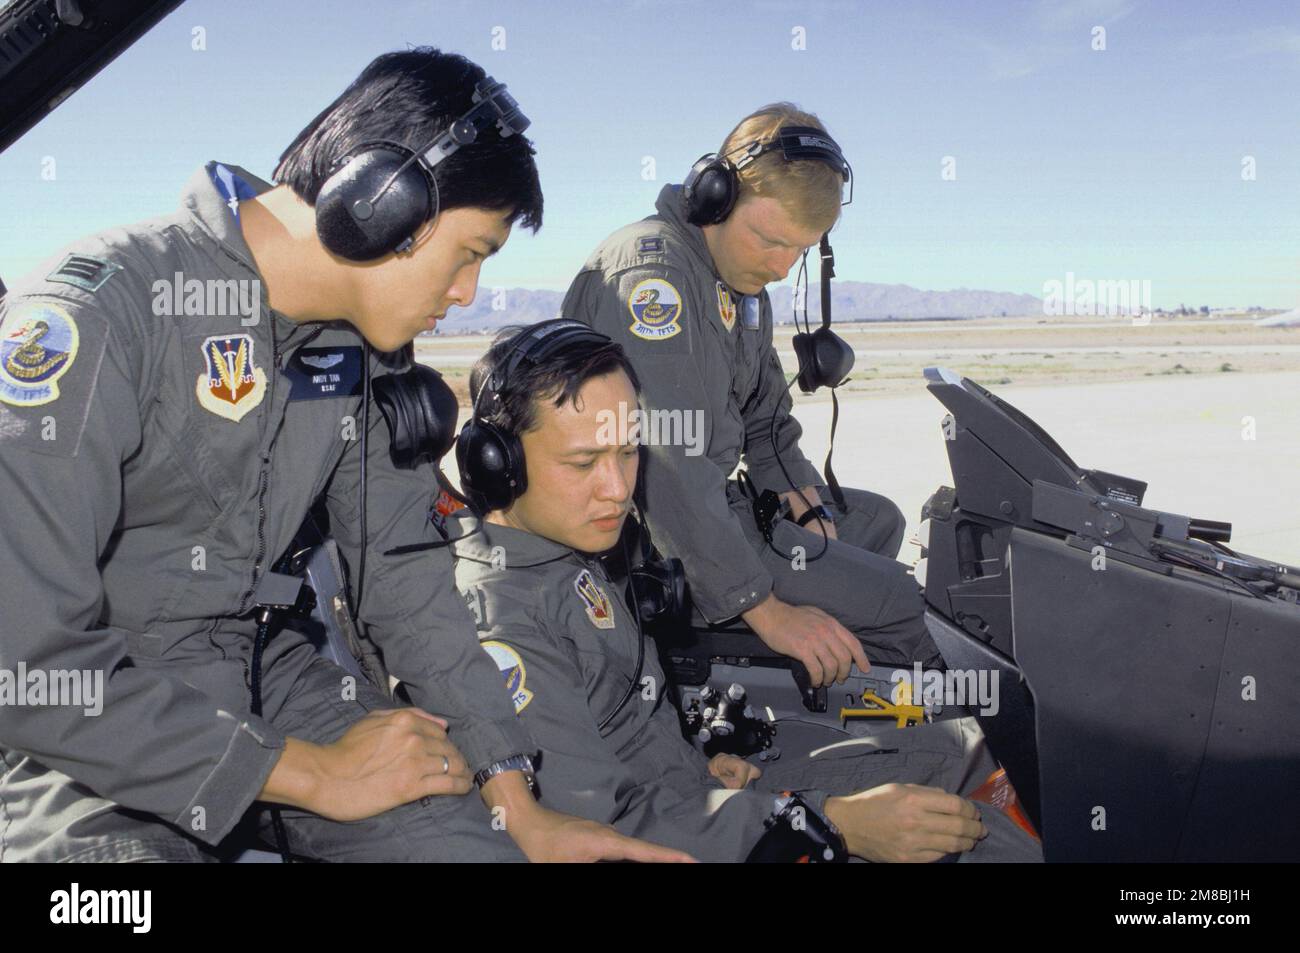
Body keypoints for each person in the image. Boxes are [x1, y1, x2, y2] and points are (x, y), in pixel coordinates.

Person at [0, 48, 687, 863]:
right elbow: (23, 661)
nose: (467, 292)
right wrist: (311, 774)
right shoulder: (102, 314)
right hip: (94, 719)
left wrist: (515, 803)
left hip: (264, 674)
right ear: (379, 204)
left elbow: (404, 579)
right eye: (470, 252)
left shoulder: (366, 359)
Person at [447, 319, 1042, 862]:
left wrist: (699, 765)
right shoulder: (502, 619)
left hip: (693, 795)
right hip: (665, 836)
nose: (616, 488)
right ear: (499, 465)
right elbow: (597, 832)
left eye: (628, 452)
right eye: (583, 464)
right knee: (974, 837)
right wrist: (832, 826)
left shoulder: (576, 549)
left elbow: (627, 722)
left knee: (966, 745)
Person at [562, 104, 939, 687]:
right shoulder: (653, 279)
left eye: (800, 250)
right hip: (647, 536)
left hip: (716, 509)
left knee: (875, 520)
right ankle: (944, 739)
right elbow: (668, 470)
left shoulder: (740, 291)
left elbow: (766, 421)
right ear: (715, 197)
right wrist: (768, 610)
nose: (782, 266)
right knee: (903, 603)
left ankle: (817, 675)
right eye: (768, 240)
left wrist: (802, 499)